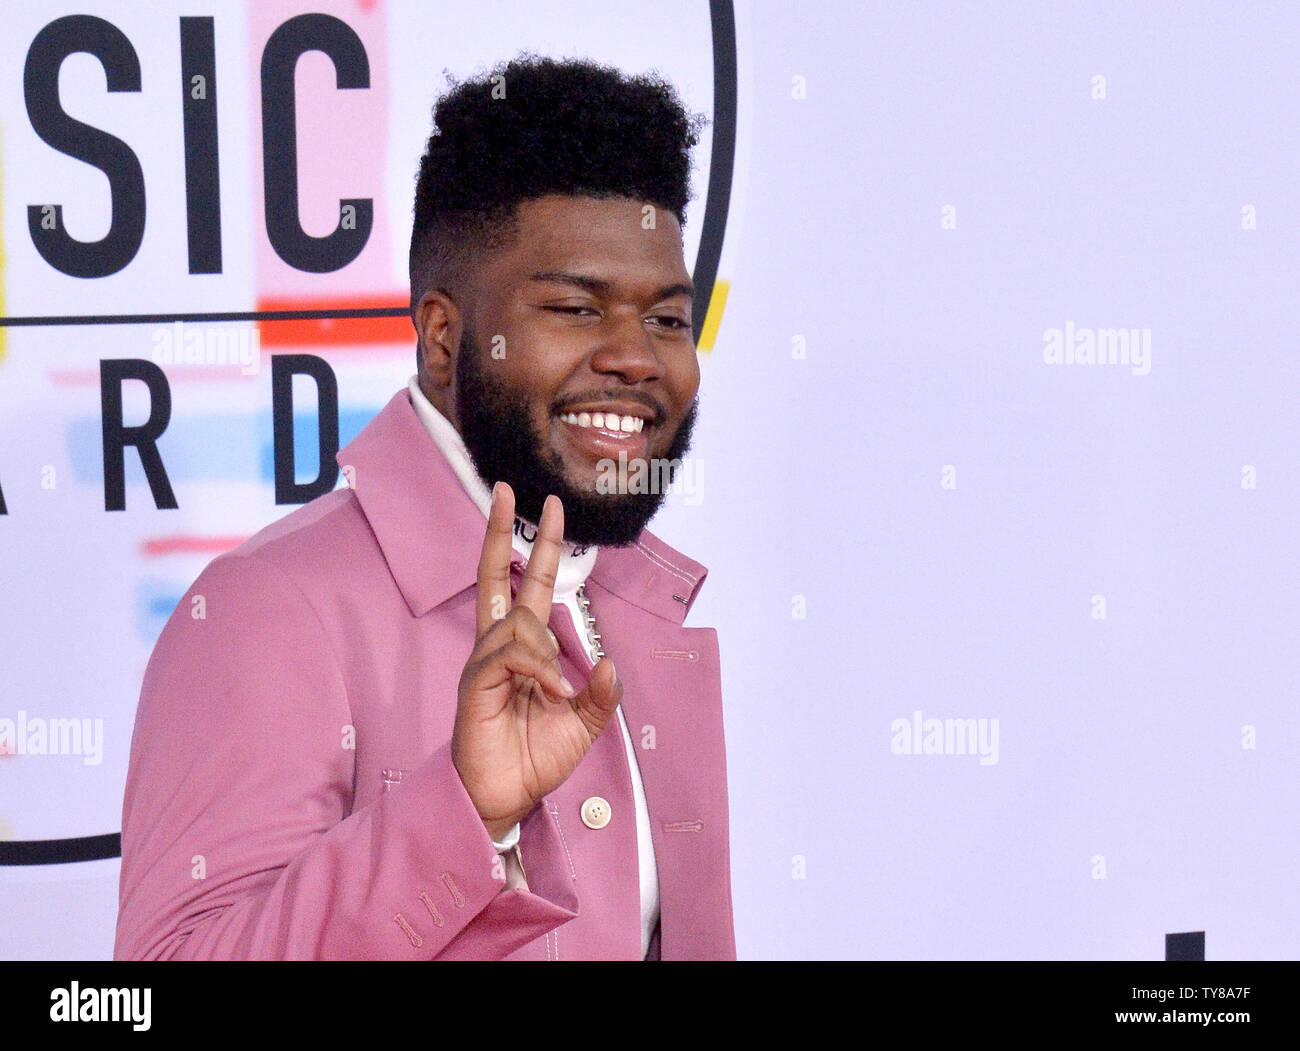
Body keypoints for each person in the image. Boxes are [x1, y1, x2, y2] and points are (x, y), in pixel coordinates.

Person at [114, 56, 735, 960]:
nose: (637, 358)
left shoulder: (630, 591)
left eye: (668, 320)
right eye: (575, 308)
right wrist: (463, 814)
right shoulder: (268, 607)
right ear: (444, 337)